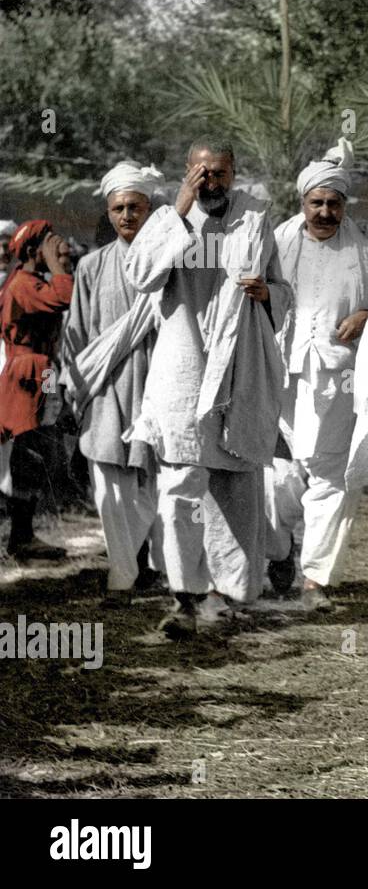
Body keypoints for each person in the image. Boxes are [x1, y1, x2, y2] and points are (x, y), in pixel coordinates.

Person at [123, 136, 291, 639]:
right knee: (180, 488)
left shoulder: (255, 219)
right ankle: (184, 596)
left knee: (236, 487)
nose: (211, 183)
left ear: (233, 173)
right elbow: (141, 276)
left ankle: (224, 595)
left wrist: (269, 293)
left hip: (238, 366)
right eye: (202, 174)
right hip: (184, 366)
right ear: (188, 173)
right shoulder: (168, 219)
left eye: (219, 174)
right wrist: (177, 210)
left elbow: (284, 292)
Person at [265, 139, 368, 612]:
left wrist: (365, 315)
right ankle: (278, 551)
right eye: (317, 202)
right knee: (278, 475)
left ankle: (315, 579)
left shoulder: (365, 250)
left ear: (344, 204)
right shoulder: (277, 241)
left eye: (334, 203)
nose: (325, 211)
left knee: (331, 475)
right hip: (283, 372)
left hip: (339, 376)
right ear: (303, 202)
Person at [62, 162, 166, 603]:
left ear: (150, 209)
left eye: (136, 207)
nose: (127, 216)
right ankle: (122, 576)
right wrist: (77, 389)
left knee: (152, 481)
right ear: (108, 213)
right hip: (104, 387)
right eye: (119, 208)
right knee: (108, 481)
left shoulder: (169, 261)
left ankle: (153, 566)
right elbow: (79, 334)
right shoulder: (90, 266)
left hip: (154, 382)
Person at [0, 220, 74, 560]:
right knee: (28, 447)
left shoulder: (29, 282)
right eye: (48, 245)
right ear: (32, 251)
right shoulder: (24, 284)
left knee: (37, 445)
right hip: (27, 369)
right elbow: (65, 297)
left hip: (40, 368)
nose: (57, 251)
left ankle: (23, 534)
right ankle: (20, 536)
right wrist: (59, 266)